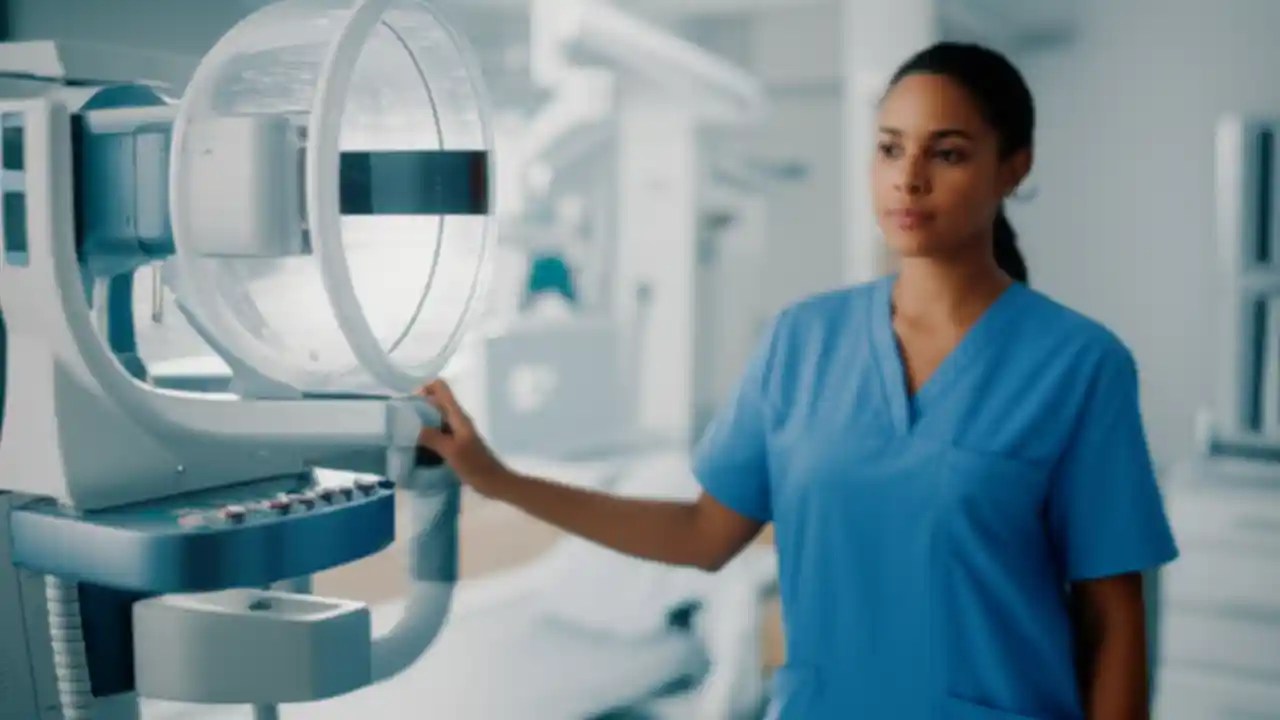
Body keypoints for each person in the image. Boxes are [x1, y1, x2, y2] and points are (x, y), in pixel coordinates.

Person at [417, 42, 1178, 719]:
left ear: (1013, 167)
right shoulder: (803, 341)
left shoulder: (1078, 366)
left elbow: (1114, 621)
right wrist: (500, 479)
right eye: (890, 148)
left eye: (946, 153)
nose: (908, 179)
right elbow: (704, 535)